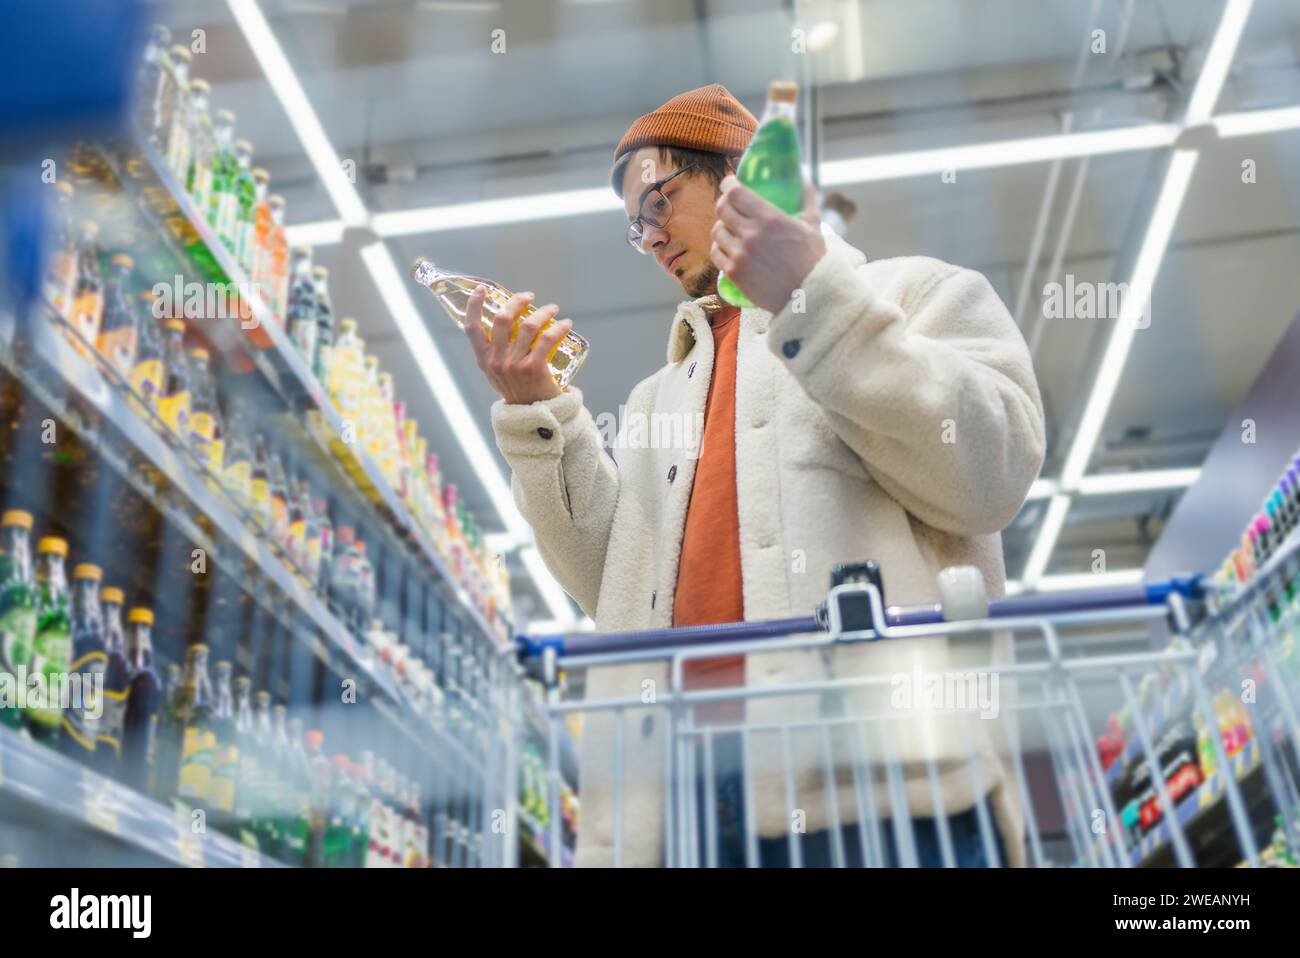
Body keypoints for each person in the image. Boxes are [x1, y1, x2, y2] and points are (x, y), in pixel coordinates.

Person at [464, 84, 1046, 867]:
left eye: (658, 202)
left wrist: (815, 300)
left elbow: (992, 473)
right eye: (635, 225)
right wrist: (541, 417)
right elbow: (612, 590)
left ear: (736, 175)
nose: (650, 236)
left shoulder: (915, 294)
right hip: (683, 807)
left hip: (879, 793)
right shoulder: (654, 401)